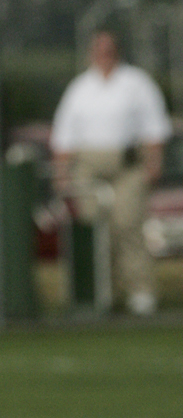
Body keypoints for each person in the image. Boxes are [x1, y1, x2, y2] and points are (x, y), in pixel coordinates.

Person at [51, 29, 170, 316]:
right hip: (90, 166)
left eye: (108, 49)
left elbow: (154, 128)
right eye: (98, 49)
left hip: (127, 166)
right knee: (93, 229)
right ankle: (97, 293)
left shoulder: (136, 83)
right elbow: (64, 136)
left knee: (127, 225)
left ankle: (140, 292)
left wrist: (154, 163)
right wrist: (62, 173)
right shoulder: (80, 87)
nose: (103, 55)